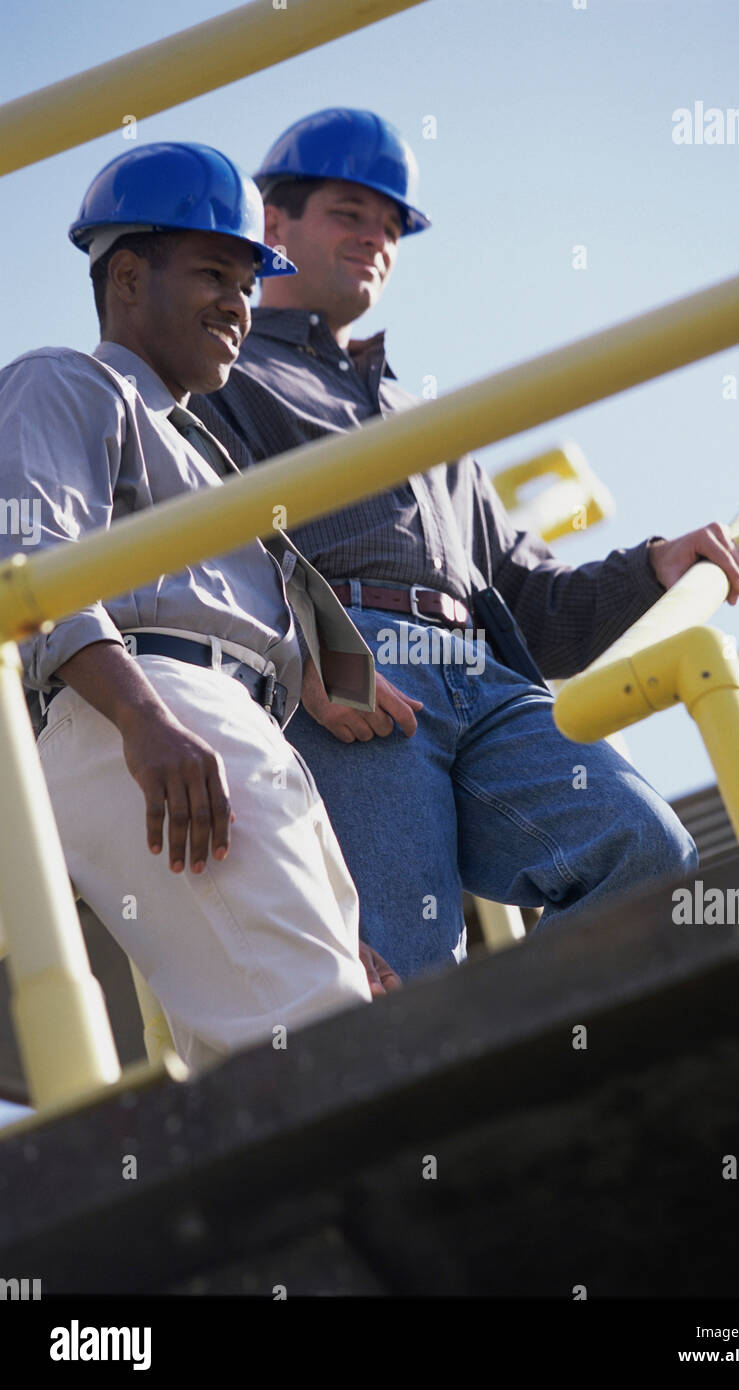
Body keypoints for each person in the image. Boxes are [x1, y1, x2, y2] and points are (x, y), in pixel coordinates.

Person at [192, 109, 739, 982]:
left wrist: (650, 568)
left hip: (485, 675)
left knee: (644, 851)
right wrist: (301, 652)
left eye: (391, 226)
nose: (375, 238)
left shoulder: (423, 420)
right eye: (348, 212)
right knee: (406, 965)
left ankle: (530, 1072)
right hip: (350, 674)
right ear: (275, 225)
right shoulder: (224, 372)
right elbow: (189, 552)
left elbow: (531, 597)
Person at [0, 140, 385, 1073]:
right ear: (126, 276)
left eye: (251, 285)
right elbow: (32, 562)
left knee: (267, 1054)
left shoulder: (207, 454)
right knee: (322, 1042)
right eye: (216, 273)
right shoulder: (67, 380)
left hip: (234, 729)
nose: (239, 306)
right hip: (151, 707)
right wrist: (145, 721)